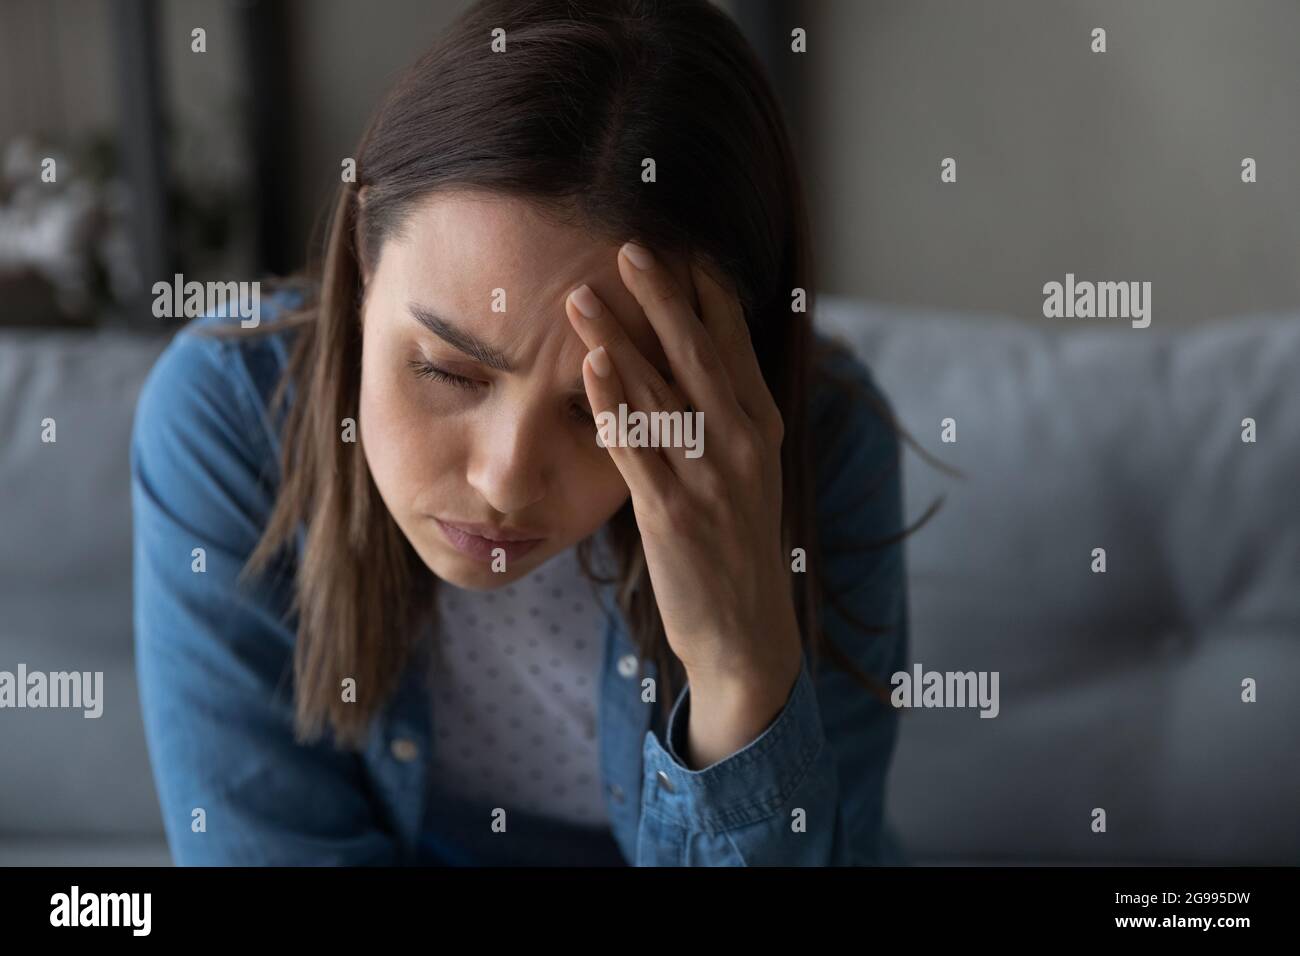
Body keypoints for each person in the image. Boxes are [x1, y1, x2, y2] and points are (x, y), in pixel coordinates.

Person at [131, 0, 918, 866]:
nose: (506, 482)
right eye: (447, 371)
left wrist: (739, 669)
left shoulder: (823, 447)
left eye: (597, 411)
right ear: (358, 270)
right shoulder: (229, 416)